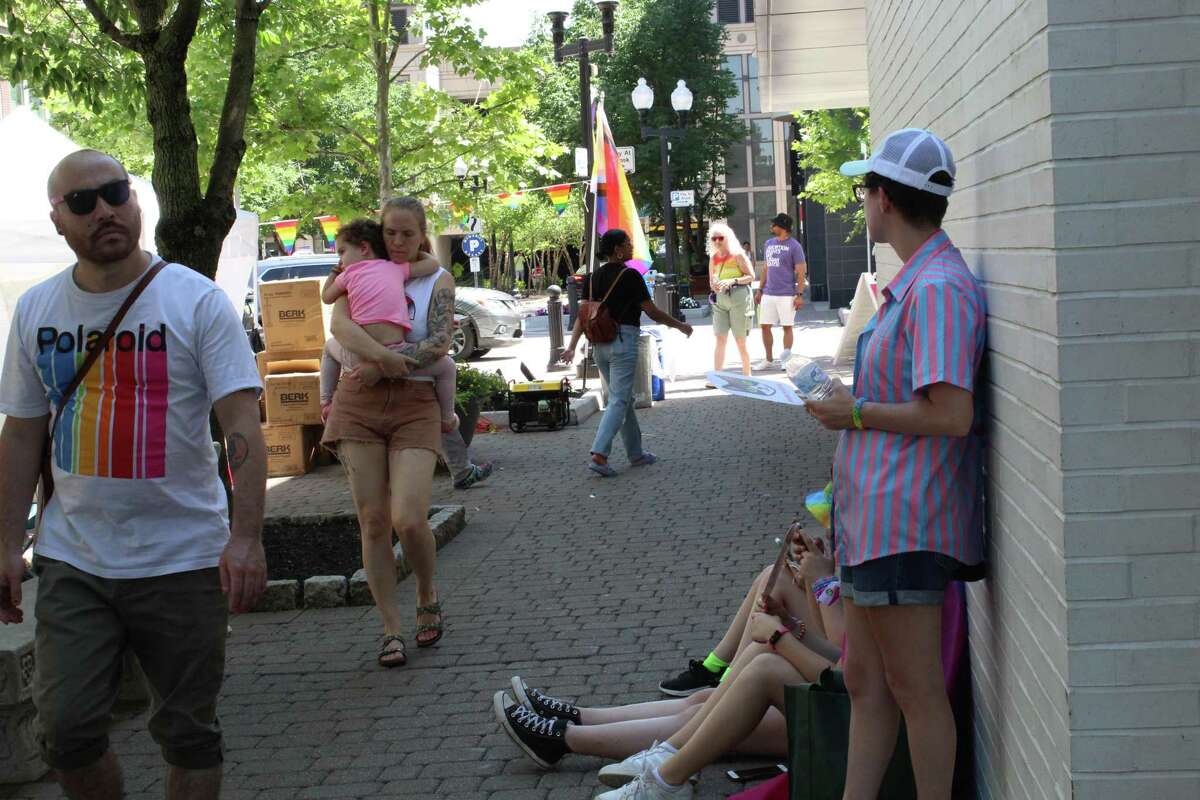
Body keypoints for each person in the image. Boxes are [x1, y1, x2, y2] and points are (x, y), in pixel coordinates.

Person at [0, 150, 267, 799]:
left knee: (188, 733)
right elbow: (22, 433)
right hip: (74, 560)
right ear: (59, 220)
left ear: (136, 199)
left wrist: (246, 536)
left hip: (183, 559)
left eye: (114, 192)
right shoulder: (37, 310)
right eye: (83, 202)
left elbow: (242, 425)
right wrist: (7, 543)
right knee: (66, 733)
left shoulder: (196, 300)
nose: (105, 210)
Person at [806, 128, 986, 800]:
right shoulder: (917, 282)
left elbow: (951, 414)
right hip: (875, 519)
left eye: (865, 190)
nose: (862, 201)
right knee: (866, 682)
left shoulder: (938, 287)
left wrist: (853, 412)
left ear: (884, 199)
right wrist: (849, 409)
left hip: (906, 524)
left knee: (914, 690)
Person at [492, 537, 843, 799]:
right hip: (843, 693)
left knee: (718, 701)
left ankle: (567, 739)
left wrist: (809, 601)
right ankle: (576, 719)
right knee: (710, 698)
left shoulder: (881, 556)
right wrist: (794, 617)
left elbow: (844, 667)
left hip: (849, 711)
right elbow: (838, 652)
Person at [322, 197, 452, 666]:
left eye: (407, 234)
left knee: (409, 518)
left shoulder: (437, 280)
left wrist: (392, 365)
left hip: (415, 401)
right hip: (358, 403)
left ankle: (425, 590)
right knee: (373, 520)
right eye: (390, 233)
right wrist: (380, 360)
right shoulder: (361, 269)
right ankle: (390, 629)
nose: (397, 242)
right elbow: (337, 325)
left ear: (422, 236)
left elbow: (441, 342)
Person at [561, 229, 693, 477]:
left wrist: (572, 346)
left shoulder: (592, 277)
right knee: (619, 400)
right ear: (617, 250)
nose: (631, 246)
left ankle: (636, 454)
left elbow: (583, 315)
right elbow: (651, 312)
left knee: (623, 400)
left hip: (599, 347)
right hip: (623, 343)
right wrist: (681, 325)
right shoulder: (630, 275)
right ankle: (599, 455)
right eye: (627, 243)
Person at [321, 219, 456, 432]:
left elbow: (326, 297)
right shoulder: (396, 269)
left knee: (329, 348)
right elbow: (432, 265)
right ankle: (447, 418)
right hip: (400, 352)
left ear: (364, 248)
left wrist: (335, 272)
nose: (340, 259)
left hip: (361, 356)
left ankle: (325, 402)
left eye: (342, 252)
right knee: (447, 367)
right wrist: (422, 252)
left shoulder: (348, 275)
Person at [319, 337, 493, 490]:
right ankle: (460, 465)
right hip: (401, 362)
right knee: (444, 378)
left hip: (365, 360)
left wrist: (326, 402)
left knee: (329, 347)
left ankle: (326, 403)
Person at [756, 213, 807, 368]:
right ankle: (768, 360)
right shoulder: (768, 243)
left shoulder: (794, 246)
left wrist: (799, 295)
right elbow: (765, 268)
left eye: (774, 224)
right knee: (764, 326)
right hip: (768, 293)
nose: (771, 227)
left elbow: (801, 272)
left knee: (787, 327)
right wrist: (759, 289)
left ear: (782, 227)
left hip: (787, 294)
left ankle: (786, 360)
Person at [706, 222, 756, 381]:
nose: (717, 241)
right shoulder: (713, 258)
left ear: (728, 238)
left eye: (720, 238)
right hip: (720, 300)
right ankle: (718, 377)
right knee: (720, 338)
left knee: (740, 340)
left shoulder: (738, 255)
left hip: (738, 299)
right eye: (714, 238)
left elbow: (751, 276)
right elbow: (711, 282)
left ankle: (747, 376)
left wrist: (732, 281)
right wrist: (715, 284)